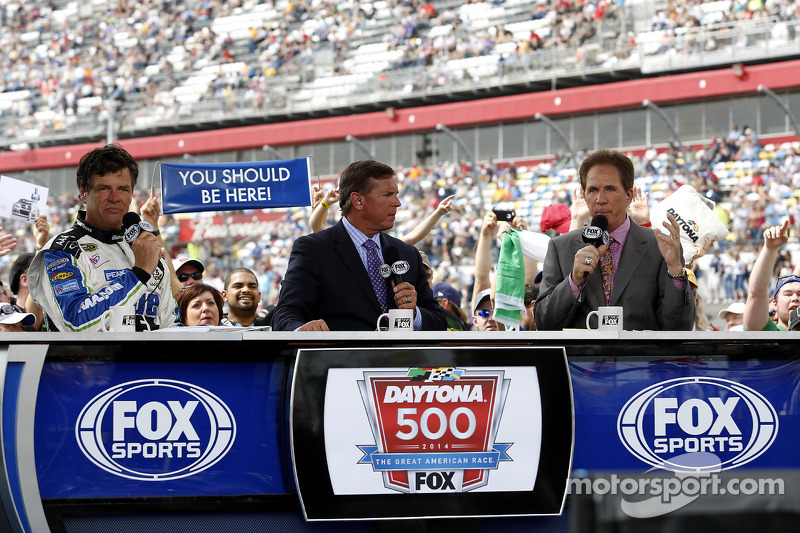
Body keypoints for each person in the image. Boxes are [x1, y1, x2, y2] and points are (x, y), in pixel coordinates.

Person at [272, 160, 446, 331]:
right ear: (358, 201)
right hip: (339, 358)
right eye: (387, 195)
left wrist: (414, 313)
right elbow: (286, 313)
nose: (397, 203)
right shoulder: (314, 250)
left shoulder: (407, 254)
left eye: (396, 194)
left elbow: (439, 321)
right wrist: (301, 331)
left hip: (398, 359)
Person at [535, 149, 695, 331]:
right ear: (584, 195)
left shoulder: (659, 246)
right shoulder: (560, 247)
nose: (600, 199)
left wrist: (675, 271)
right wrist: (573, 281)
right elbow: (543, 323)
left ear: (629, 196)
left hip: (640, 358)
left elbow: (679, 328)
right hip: (580, 359)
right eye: (593, 190)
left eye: (610, 189)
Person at [27, 144, 179, 332]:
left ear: (132, 195)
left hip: (150, 361)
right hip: (87, 362)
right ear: (83, 193)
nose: (114, 197)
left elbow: (171, 325)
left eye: (123, 189)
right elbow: (76, 322)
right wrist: (139, 273)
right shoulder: (62, 251)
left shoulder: (145, 247)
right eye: (104, 188)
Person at [744, 220, 799, 331]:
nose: (795, 299)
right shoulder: (771, 333)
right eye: (788, 294)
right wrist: (770, 248)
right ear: (774, 304)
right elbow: (756, 294)